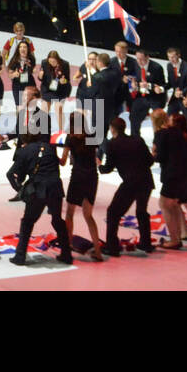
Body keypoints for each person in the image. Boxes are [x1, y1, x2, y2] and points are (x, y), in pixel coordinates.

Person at [7, 131, 73, 266]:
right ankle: (66, 254)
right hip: (55, 187)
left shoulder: (23, 152)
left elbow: (11, 174)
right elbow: (55, 167)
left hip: (37, 190)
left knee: (27, 222)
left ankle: (20, 256)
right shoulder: (50, 148)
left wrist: (20, 190)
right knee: (57, 220)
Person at [100, 116, 156, 256]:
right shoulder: (138, 140)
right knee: (142, 212)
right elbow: (150, 161)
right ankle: (146, 243)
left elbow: (108, 168)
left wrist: (99, 166)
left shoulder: (113, 144)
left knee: (113, 212)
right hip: (146, 180)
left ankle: (112, 246)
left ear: (112, 129)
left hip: (130, 183)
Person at [61, 111, 104, 261]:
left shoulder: (70, 139)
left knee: (69, 214)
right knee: (88, 215)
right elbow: (97, 158)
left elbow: (63, 161)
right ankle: (98, 251)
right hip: (92, 177)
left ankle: (66, 249)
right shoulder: (91, 137)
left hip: (77, 176)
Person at [150, 109, 187, 249]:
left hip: (170, 173)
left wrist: (153, 153)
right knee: (174, 204)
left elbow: (160, 157)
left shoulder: (160, 135)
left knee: (164, 204)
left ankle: (174, 238)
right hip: (182, 171)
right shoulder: (176, 132)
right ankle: (177, 235)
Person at [124, 47, 167, 139]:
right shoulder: (135, 65)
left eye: (141, 59)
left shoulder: (157, 67)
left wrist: (149, 85)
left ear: (147, 58)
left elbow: (162, 85)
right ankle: (135, 139)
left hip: (155, 97)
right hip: (142, 96)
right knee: (133, 117)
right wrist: (134, 84)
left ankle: (159, 140)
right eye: (137, 59)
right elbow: (133, 78)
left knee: (158, 119)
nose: (139, 61)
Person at [40, 50, 71, 133]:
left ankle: (61, 130)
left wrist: (63, 81)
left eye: (54, 61)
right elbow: (41, 78)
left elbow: (67, 80)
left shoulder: (64, 64)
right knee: (44, 109)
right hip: (48, 89)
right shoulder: (44, 63)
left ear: (58, 60)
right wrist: (39, 76)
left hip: (61, 90)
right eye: (50, 61)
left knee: (58, 109)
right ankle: (43, 130)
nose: (52, 63)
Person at [5, 38, 37, 114]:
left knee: (31, 107)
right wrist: (14, 74)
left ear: (28, 49)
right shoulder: (14, 60)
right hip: (18, 86)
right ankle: (19, 124)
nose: (22, 49)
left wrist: (32, 69)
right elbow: (9, 76)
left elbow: (33, 70)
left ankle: (30, 124)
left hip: (30, 85)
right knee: (19, 108)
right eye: (21, 47)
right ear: (18, 49)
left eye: (25, 47)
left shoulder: (31, 59)